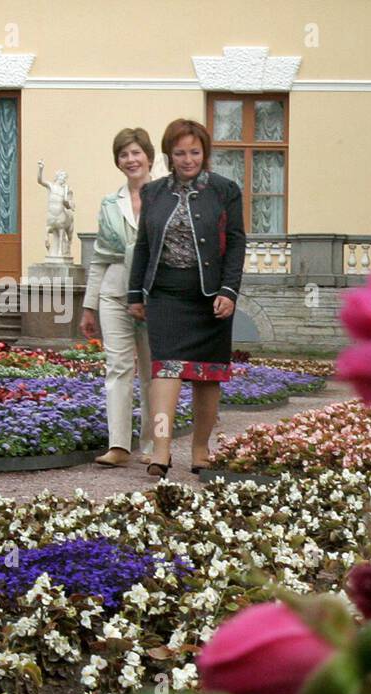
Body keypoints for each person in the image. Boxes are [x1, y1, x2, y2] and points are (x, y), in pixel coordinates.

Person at [127, 118, 246, 478]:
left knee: (208, 376)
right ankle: (161, 449)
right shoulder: (153, 192)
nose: (188, 159)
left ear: (204, 153)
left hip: (210, 298)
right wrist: (135, 293)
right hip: (165, 295)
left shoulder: (225, 190)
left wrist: (229, 290)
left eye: (194, 152)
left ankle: (200, 448)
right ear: (169, 155)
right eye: (180, 153)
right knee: (164, 372)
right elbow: (143, 246)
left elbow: (236, 243)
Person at [81, 128, 155, 467]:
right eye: (124, 154)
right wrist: (89, 306)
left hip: (155, 296)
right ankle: (119, 446)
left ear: (148, 156)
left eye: (136, 152)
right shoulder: (110, 204)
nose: (130, 159)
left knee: (154, 372)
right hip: (114, 293)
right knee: (118, 368)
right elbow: (99, 258)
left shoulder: (165, 197)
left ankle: (153, 444)